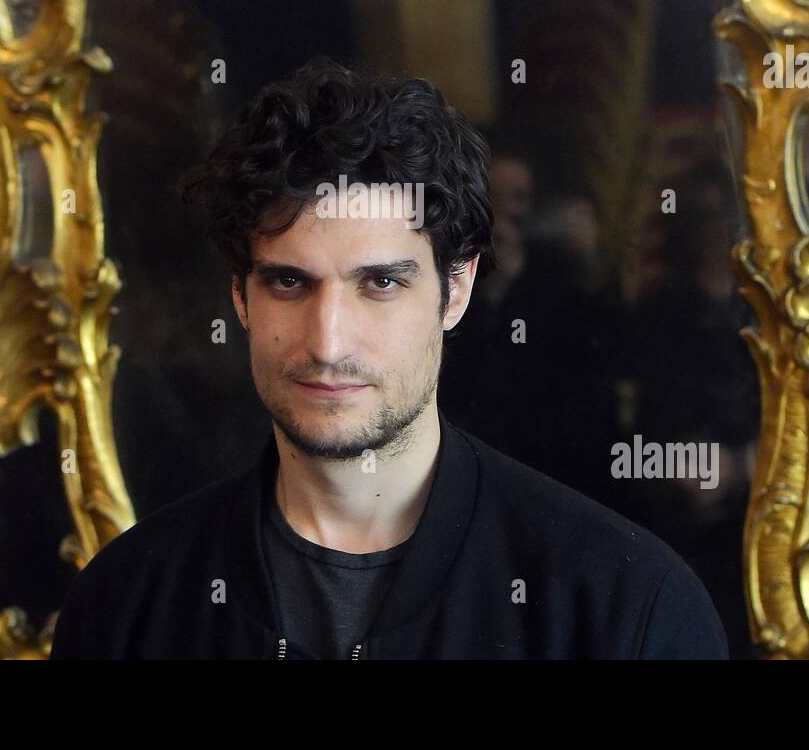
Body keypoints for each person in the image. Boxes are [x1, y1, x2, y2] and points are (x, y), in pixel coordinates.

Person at [49, 55, 728, 659]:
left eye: (380, 283)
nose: (329, 342)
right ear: (241, 296)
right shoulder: (126, 605)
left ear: (454, 290)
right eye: (289, 282)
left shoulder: (624, 608)